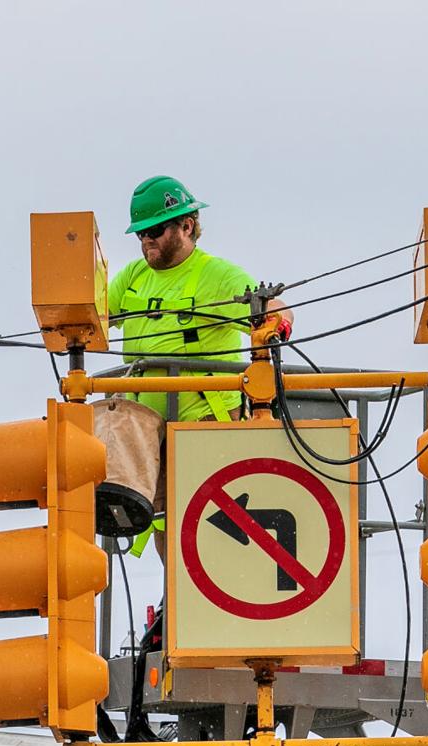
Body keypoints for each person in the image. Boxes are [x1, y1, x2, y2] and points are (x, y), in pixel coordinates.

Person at [98, 175, 292, 555]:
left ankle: (217, 600)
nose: (146, 241)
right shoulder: (134, 278)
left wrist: (276, 323)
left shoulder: (217, 276)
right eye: (139, 234)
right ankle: (177, 607)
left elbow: (269, 308)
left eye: (154, 230)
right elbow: (93, 314)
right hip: (147, 430)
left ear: (187, 226)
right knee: (166, 528)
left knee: (208, 522)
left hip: (203, 421)